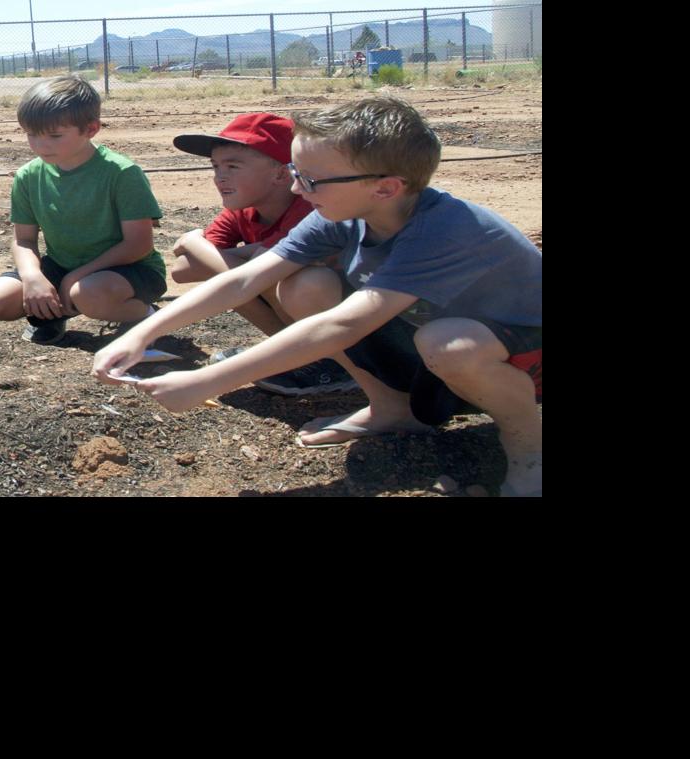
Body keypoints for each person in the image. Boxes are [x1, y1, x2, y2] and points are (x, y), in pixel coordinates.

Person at [92, 96, 543, 497]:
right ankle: (392, 408)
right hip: (431, 349)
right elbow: (244, 279)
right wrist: (144, 331)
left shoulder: (444, 230)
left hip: (523, 359)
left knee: (448, 342)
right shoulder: (345, 210)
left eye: (309, 180)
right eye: (294, 174)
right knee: (307, 288)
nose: (295, 189)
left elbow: (342, 326)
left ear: (385, 186)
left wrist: (209, 381)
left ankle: (527, 445)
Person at [0, 75, 167, 346]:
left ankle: (145, 314)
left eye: (55, 136)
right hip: (62, 267)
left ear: (91, 129)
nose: (40, 145)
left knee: (88, 295)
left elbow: (139, 245)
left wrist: (75, 277)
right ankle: (51, 315)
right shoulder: (28, 176)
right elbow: (23, 240)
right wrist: (33, 277)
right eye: (31, 134)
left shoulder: (121, 173)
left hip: (130, 269)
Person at [167, 112, 355, 397]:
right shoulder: (241, 211)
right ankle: (299, 356)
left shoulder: (308, 209)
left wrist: (193, 240)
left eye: (233, 166)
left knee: (276, 276)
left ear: (281, 174)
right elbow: (183, 271)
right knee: (241, 274)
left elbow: (261, 263)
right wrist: (242, 254)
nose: (220, 177)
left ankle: (333, 362)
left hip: (360, 327)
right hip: (316, 319)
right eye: (215, 166)